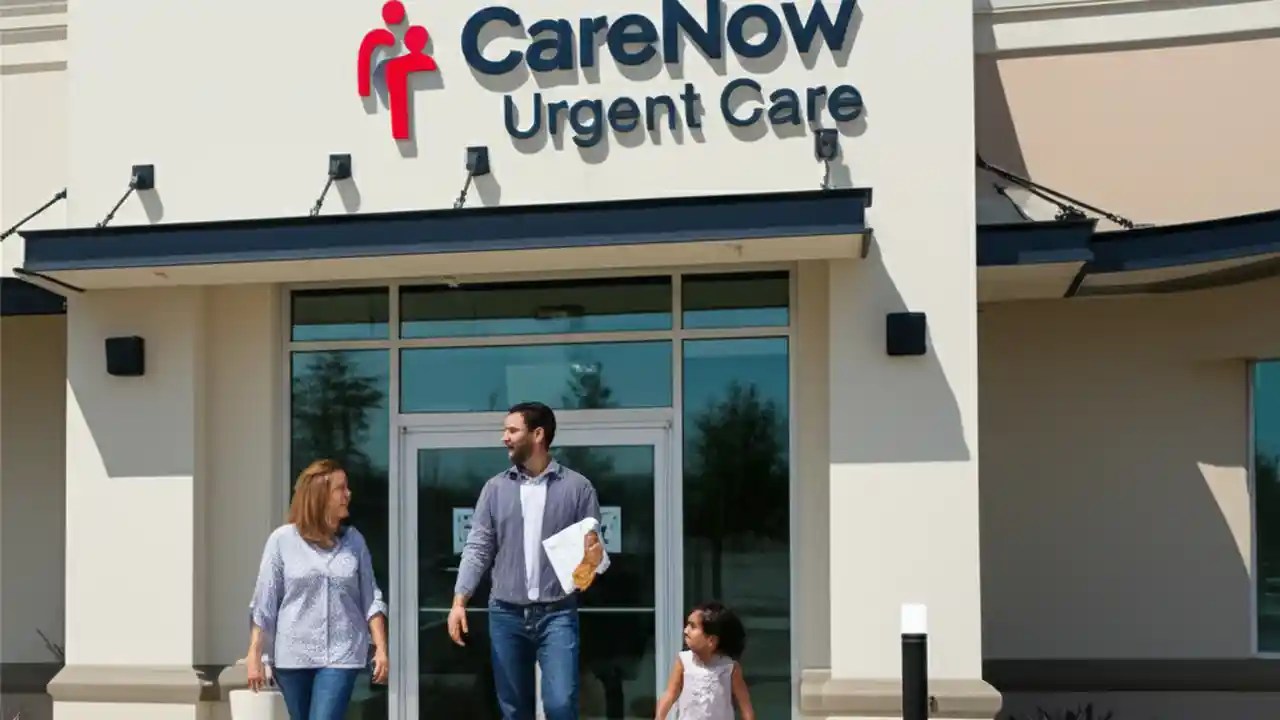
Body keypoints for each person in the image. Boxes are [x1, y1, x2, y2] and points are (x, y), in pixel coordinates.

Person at [448, 401, 605, 720]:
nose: (504, 437)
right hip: (506, 613)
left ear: (537, 434)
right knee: (513, 709)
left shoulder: (578, 488)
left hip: (558, 613)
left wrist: (589, 567)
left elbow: (592, 552)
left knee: (561, 704)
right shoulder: (494, 489)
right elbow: (478, 548)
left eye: (512, 430)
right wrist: (459, 601)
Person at [244, 458, 390, 720]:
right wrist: (254, 654)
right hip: (292, 657)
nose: (349, 494)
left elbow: (372, 597)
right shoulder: (282, 541)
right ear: (320, 495)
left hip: (341, 655)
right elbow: (264, 602)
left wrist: (381, 648)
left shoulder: (354, 540)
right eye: (341, 488)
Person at [654, 602, 756, 720]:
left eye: (692, 626)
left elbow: (745, 704)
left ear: (711, 640)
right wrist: (660, 717)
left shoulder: (729, 668)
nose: (685, 630)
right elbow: (670, 694)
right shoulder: (684, 661)